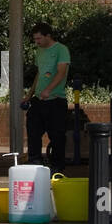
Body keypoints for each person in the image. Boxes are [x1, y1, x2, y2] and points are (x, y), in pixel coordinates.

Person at [24, 22, 71, 174]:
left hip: (56, 99)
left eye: (39, 39)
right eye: (35, 39)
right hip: (38, 99)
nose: (37, 42)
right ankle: (34, 160)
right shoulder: (39, 51)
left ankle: (57, 165)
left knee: (57, 134)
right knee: (33, 130)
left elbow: (61, 72)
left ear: (48, 36)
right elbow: (39, 73)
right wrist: (29, 94)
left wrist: (48, 90)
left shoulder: (61, 50)